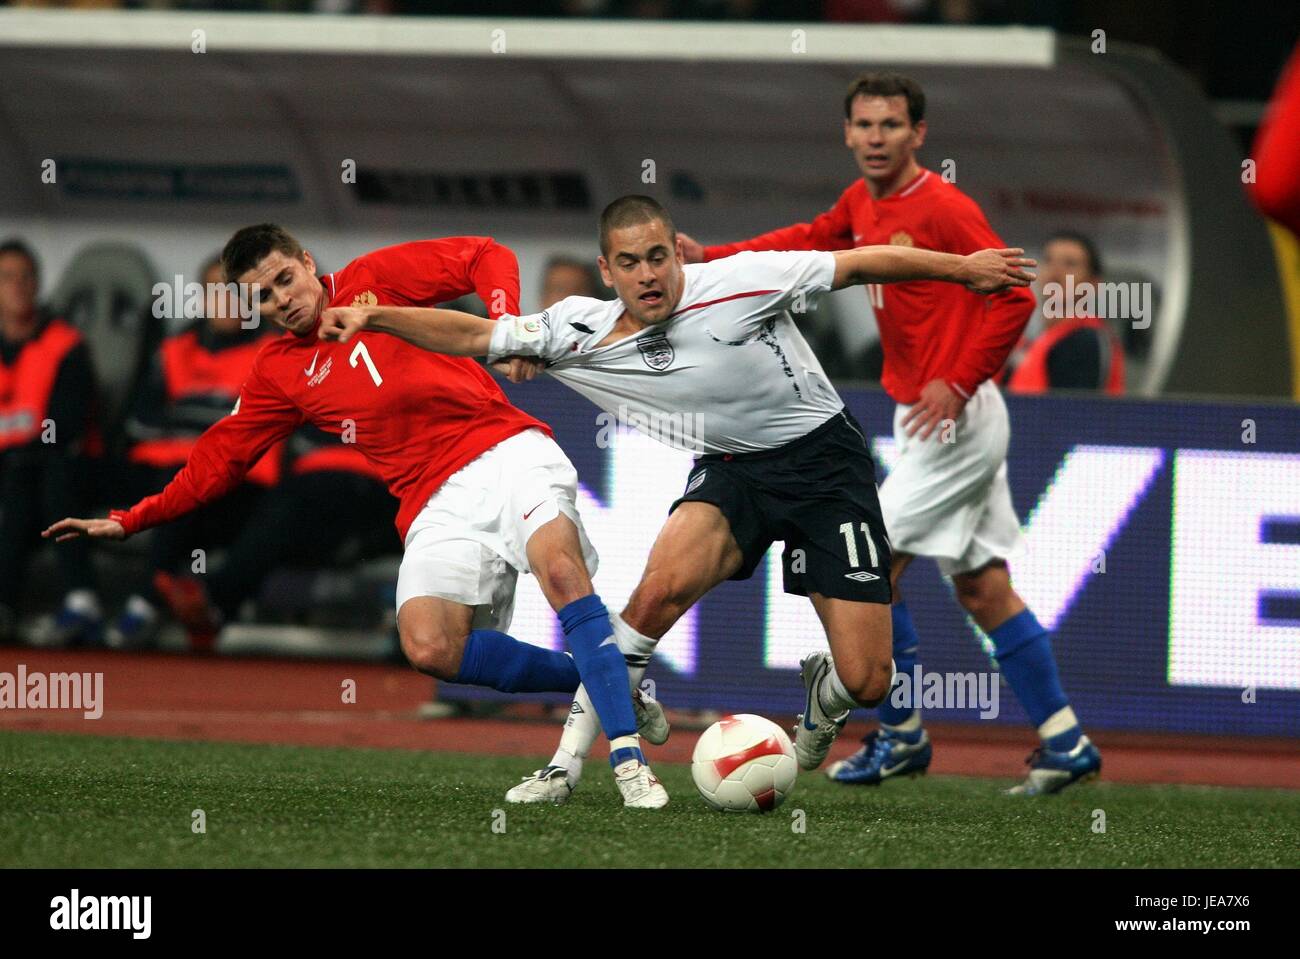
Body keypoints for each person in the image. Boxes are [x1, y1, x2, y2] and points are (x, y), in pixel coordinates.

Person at [316, 194, 1035, 806]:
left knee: (868, 679)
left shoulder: (742, 281)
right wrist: (374, 317)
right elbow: (475, 333)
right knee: (648, 599)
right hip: (732, 472)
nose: (648, 274)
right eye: (629, 263)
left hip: (827, 466)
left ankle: (826, 693)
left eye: (658, 256)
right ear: (608, 271)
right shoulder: (577, 326)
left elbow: (860, 263)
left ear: (676, 256)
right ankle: (565, 764)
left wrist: (964, 270)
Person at [43, 226, 668, 808]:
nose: (281, 300)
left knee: (561, 574)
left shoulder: (376, 279)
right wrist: (131, 520)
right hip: (431, 498)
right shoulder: (278, 372)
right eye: (262, 297)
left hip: (504, 451)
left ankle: (627, 761)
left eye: (285, 279)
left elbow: (484, 253)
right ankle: (613, 685)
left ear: (309, 264)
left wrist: (505, 324)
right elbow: (217, 462)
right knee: (429, 648)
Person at [680, 72, 1102, 796]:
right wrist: (712, 258)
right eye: (865, 125)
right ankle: (1066, 742)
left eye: (891, 125)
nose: (877, 138)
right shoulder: (859, 202)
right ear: (847, 133)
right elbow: (805, 243)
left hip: (958, 419)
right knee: (981, 586)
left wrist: (960, 379)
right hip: (932, 421)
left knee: (871, 569)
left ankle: (902, 736)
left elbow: (1016, 294)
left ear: (919, 134)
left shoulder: (942, 205)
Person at [109, 255, 285, 649]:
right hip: (161, 468)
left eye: (235, 291)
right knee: (55, 469)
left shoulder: (273, 352)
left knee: (183, 485)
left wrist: (187, 423)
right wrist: (202, 425)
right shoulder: (175, 349)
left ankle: (144, 604)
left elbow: (250, 429)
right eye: (216, 290)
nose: (225, 300)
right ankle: (84, 600)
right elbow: (139, 423)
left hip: (237, 485)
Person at [0, 239, 104, 647]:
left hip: (52, 465)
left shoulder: (65, 345)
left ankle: (17, 604)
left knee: (34, 480)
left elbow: (66, 425)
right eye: (8, 278)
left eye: (27, 277)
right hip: (12, 466)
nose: (19, 286)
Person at [1002, 232, 1124, 394]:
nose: (1055, 272)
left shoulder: (1086, 340)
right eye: (1049, 261)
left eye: (1070, 264)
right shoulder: (1032, 341)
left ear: (1093, 283)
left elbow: (1072, 412)